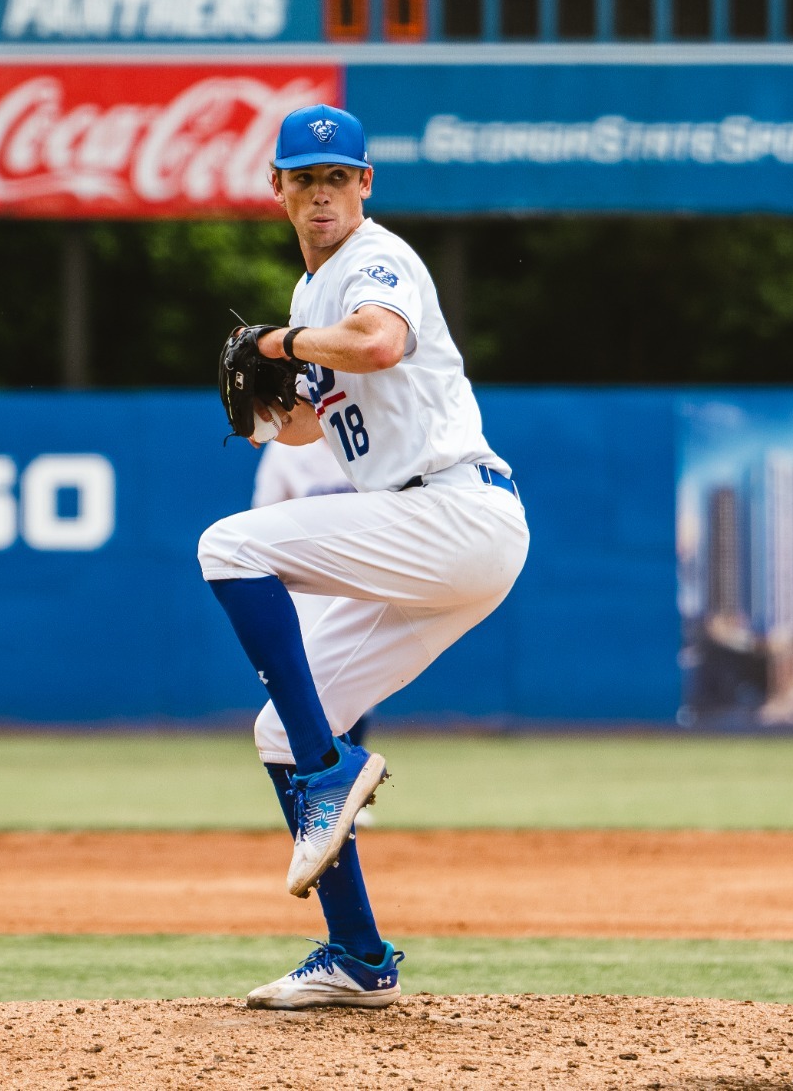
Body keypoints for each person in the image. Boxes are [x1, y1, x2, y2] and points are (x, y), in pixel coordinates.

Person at [197, 103, 530, 1010]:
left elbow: (379, 341)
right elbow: (310, 423)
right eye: (304, 180)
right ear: (278, 190)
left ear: (364, 185)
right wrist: (267, 407)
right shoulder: (315, 295)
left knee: (226, 545)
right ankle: (358, 955)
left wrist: (272, 342)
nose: (321, 195)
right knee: (277, 734)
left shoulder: (376, 259)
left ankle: (333, 774)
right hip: (429, 539)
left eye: (337, 178)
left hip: (457, 511)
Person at [251, 440, 376, 763]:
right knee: (313, 680)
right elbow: (262, 513)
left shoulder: (365, 437)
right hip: (310, 584)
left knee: (361, 690)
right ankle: (321, 779)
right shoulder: (286, 449)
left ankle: (347, 783)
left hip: (363, 579)